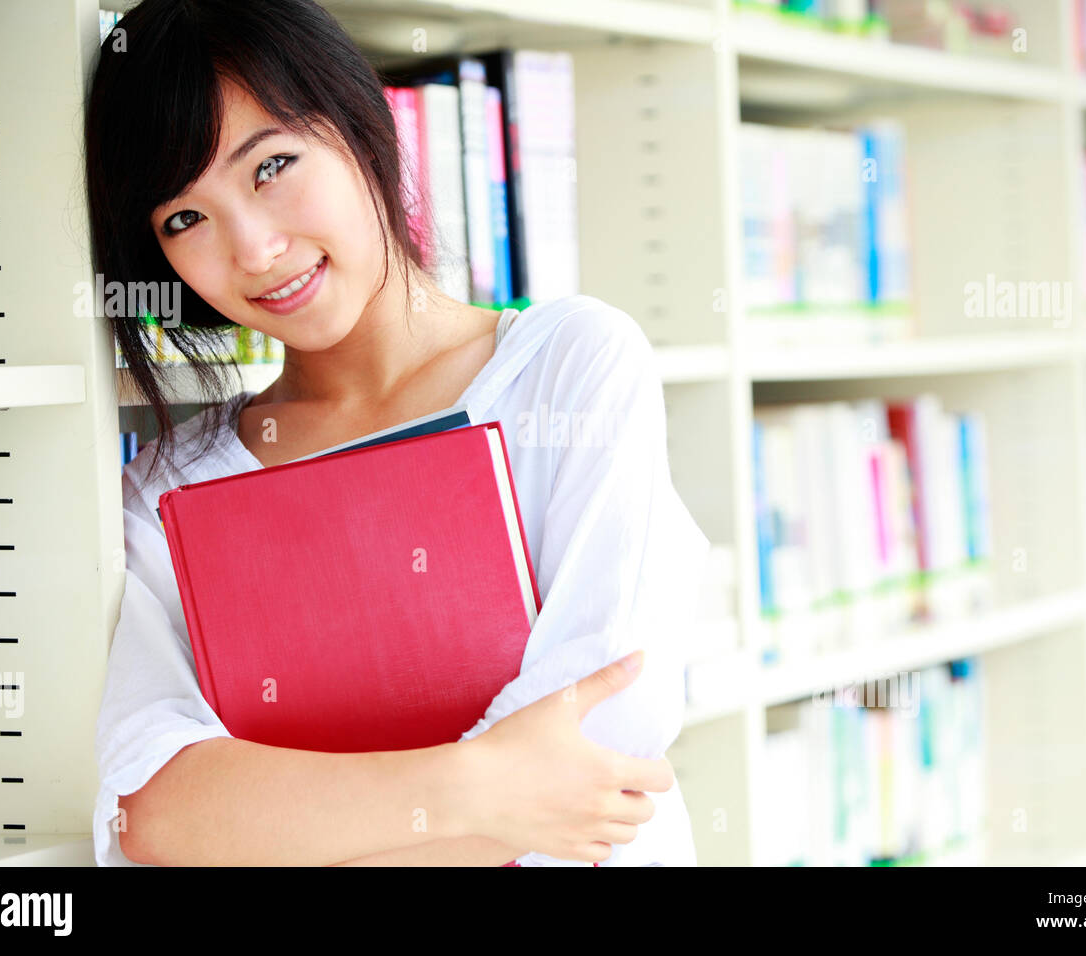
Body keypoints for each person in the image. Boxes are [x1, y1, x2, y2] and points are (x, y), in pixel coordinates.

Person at [87, 0, 710, 866]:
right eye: (184, 219)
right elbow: (154, 818)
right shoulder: (168, 491)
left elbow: (599, 737)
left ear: (363, 122)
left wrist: (292, 828)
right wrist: (480, 787)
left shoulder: (567, 366)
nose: (255, 247)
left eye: (271, 166)